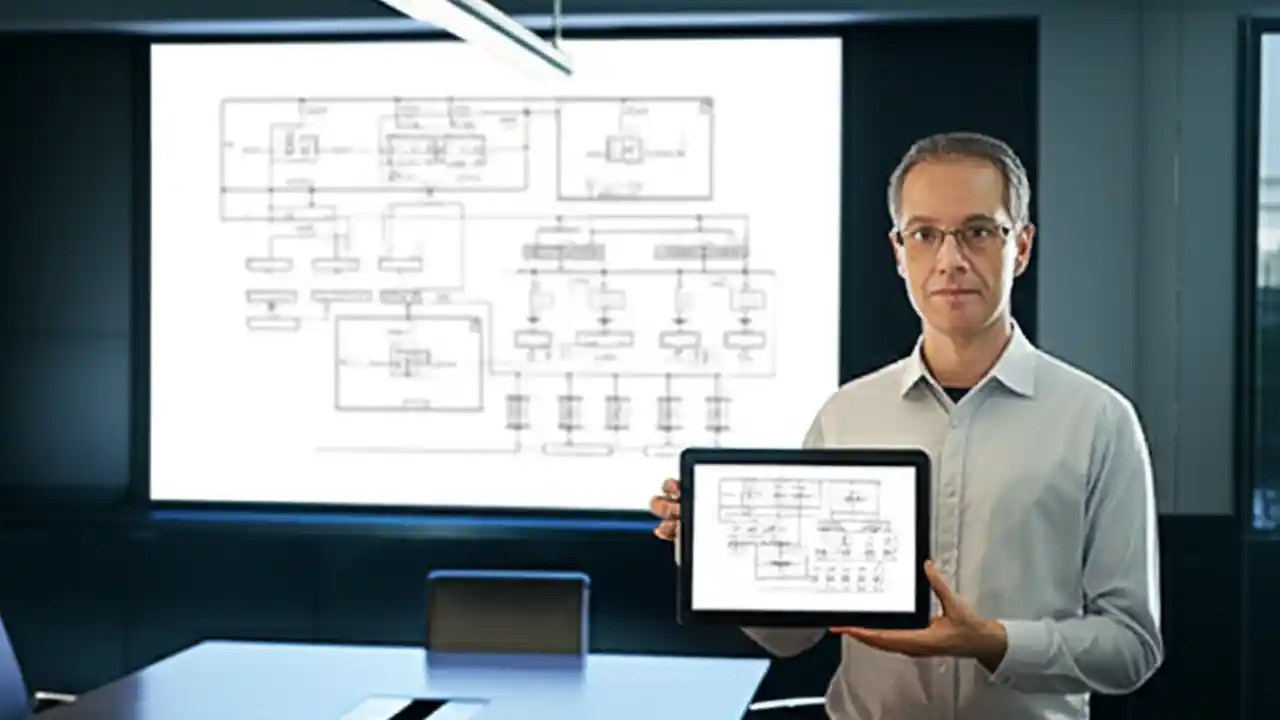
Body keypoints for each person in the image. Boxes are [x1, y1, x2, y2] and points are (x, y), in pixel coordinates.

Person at [649, 131, 1164, 719]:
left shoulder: (1098, 421)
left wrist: (994, 642)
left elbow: (1132, 647)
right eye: (924, 234)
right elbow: (793, 636)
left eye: (978, 231)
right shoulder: (846, 416)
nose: (950, 260)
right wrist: (712, 551)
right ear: (899, 252)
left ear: (1021, 247)